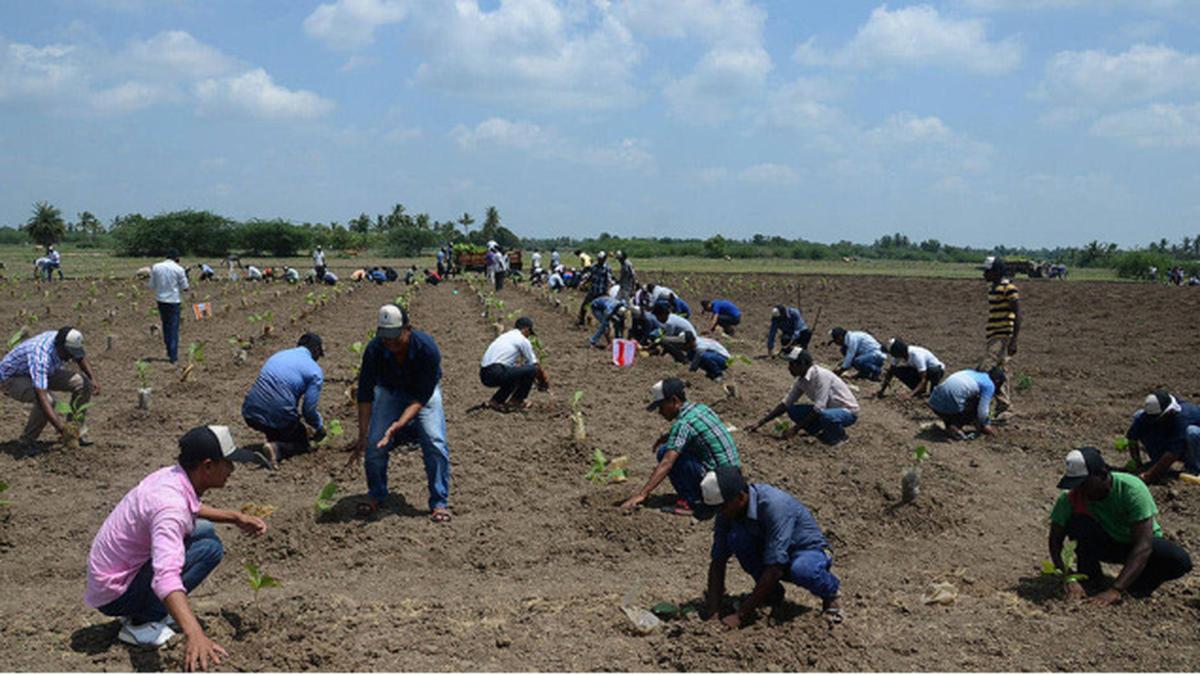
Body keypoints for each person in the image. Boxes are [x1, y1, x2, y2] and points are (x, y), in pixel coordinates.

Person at [84, 425, 268, 664]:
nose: (232, 469)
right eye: (228, 463)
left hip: (115, 572)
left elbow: (191, 508)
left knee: (205, 529)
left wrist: (235, 517)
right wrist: (195, 634)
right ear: (208, 466)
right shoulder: (169, 508)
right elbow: (165, 576)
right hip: (115, 593)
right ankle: (142, 622)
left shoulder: (171, 476)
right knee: (209, 549)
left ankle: (150, 608)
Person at [347, 305, 452, 523]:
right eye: (385, 338)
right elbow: (365, 395)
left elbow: (421, 398)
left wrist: (398, 424)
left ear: (408, 329)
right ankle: (376, 494)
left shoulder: (427, 349)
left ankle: (439, 501)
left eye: (395, 337)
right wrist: (362, 435)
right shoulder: (375, 350)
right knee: (375, 442)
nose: (390, 344)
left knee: (434, 441)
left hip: (423, 394)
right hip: (390, 391)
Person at [703, 466, 843, 627]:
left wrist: (741, 615)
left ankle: (831, 593)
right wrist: (713, 613)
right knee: (736, 539)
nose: (719, 514)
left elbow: (775, 567)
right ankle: (772, 594)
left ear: (741, 497)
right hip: (772, 552)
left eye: (722, 508)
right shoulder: (727, 512)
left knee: (803, 570)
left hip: (806, 551)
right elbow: (718, 561)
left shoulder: (774, 505)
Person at [1048, 447, 1192, 603]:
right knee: (1079, 522)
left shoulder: (1131, 489)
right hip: (1105, 543)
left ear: (1103, 474)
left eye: (1084, 484)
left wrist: (1115, 589)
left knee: (1179, 560)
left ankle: (1136, 586)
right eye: (1076, 484)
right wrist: (1069, 578)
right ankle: (1091, 579)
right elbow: (1055, 541)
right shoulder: (1070, 498)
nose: (1079, 490)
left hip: (1138, 548)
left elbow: (1143, 545)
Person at [620, 378, 741, 516]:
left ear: (674, 400)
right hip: (733, 477)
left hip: (718, 485)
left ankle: (694, 503)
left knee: (665, 452)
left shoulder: (683, 424)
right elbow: (698, 431)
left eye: (661, 406)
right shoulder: (701, 408)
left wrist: (642, 494)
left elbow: (667, 462)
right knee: (680, 447)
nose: (660, 412)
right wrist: (666, 436)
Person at [0, 326, 97, 450]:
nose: (71, 357)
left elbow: (80, 357)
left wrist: (92, 378)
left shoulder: (65, 340)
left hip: (45, 372)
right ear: (60, 346)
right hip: (14, 378)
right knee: (49, 401)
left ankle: (75, 432)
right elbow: (41, 396)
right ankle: (26, 441)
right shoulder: (40, 355)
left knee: (84, 384)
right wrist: (61, 429)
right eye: (69, 353)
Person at [240, 334, 326, 468]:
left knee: (281, 423)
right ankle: (276, 448)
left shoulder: (279, 355)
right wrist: (319, 427)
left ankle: (273, 440)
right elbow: (308, 411)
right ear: (315, 351)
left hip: (250, 413)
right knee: (302, 441)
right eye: (318, 355)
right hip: (278, 414)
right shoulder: (315, 371)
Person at [746, 348, 859, 445]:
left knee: (826, 416)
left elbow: (819, 408)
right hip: (828, 410)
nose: (789, 368)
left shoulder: (820, 376)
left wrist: (795, 429)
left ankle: (841, 437)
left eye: (792, 364)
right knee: (792, 410)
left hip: (847, 412)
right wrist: (760, 423)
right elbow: (786, 403)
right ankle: (820, 432)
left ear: (803, 364)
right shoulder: (801, 381)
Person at [1124, 389, 1200, 483]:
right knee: (1138, 415)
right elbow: (1132, 439)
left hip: (1194, 447)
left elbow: (1173, 453)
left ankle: (1195, 469)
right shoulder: (1149, 414)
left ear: (1167, 412)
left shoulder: (1183, 417)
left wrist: (1149, 476)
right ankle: (1157, 461)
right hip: (1180, 443)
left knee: (1192, 432)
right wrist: (1137, 462)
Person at [480, 317, 549, 412]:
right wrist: (543, 381)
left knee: (515, 373)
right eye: (529, 333)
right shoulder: (522, 339)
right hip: (496, 372)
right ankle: (517, 401)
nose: (528, 336)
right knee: (532, 369)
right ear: (526, 329)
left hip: (484, 374)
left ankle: (496, 401)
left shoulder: (506, 336)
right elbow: (535, 365)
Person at [982, 256, 1021, 415]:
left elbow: (1018, 313)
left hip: (1002, 335)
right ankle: (1003, 406)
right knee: (1000, 370)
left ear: (996, 272)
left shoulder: (1008, 288)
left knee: (987, 369)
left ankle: (1003, 405)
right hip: (993, 335)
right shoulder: (993, 288)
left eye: (987, 271)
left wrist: (1013, 340)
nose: (984, 274)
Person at [927, 368, 1004, 439]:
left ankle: (950, 424)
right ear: (997, 381)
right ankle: (956, 426)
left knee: (965, 397)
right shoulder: (989, 385)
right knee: (976, 402)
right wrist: (986, 423)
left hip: (934, 402)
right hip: (949, 405)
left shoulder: (971, 372)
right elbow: (983, 410)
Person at [149, 249, 189, 364]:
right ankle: (173, 356)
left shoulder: (156, 267)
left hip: (161, 300)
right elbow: (185, 287)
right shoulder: (179, 269)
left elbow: (151, 285)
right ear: (177, 258)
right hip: (173, 301)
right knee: (174, 328)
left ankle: (169, 350)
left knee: (165, 325)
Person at [877, 338, 945, 399]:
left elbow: (923, 379)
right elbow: (890, 372)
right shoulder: (898, 356)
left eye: (892, 353)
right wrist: (882, 390)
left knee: (934, 371)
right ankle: (919, 390)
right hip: (922, 372)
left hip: (936, 370)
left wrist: (910, 395)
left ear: (897, 352)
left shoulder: (916, 355)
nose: (891, 355)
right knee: (897, 371)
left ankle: (931, 392)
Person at [577, 251, 613, 326]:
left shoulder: (607, 268)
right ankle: (581, 321)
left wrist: (609, 289)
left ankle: (604, 324)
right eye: (599, 259)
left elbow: (609, 279)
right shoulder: (594, 266)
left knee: (603, 309)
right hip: (593, 290)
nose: (599, 260)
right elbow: (589, 275)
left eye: (601, 259)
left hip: (602, 292)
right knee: (585, 305)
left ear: (604, 259)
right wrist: (583, 282)